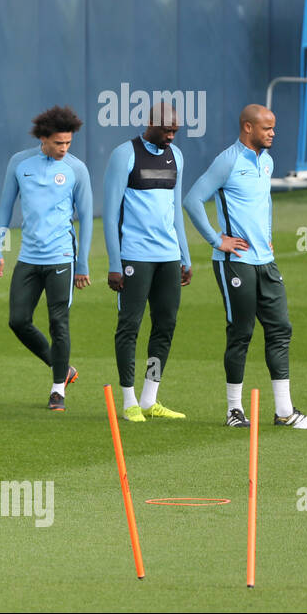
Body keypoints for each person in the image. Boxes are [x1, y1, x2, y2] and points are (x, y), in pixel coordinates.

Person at [184, 104, 307, 429]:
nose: (273, 133)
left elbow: (265, 202)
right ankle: (234, 411)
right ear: (248, 127)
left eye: (273, 127)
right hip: (236, 263)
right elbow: (192, 200)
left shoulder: (267, 161)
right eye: (267, 128)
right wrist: (217, 240)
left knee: (280, 329)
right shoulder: (228, 161)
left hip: (266, 262)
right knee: (241, 333)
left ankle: (285, 412)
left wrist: (268, 237)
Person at [0, 106, 93, 411]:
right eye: (59, 143)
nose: (64, 148)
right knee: (18, 320)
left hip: (62, 257)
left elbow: (87, 218)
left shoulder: (77, 169)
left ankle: (58, 389)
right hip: (28, 258)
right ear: (43, 139)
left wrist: (82, 263)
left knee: (58, 323)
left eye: (68, 143)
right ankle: (62, 367)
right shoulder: (19, 163)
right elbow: (4, 209)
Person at [103, 104, 192, 421]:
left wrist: (185, 256)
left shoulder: (176, 156)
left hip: (168, 258)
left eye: (175, 131)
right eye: (167, 130)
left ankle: (148, 398)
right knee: (129, 327)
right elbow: (110, 213)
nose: (171, 136)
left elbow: (176, 209)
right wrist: (115, 263)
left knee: (165, 326)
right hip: (134, 257)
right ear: (151, 123)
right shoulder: (124, 155)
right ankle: (128, 400)